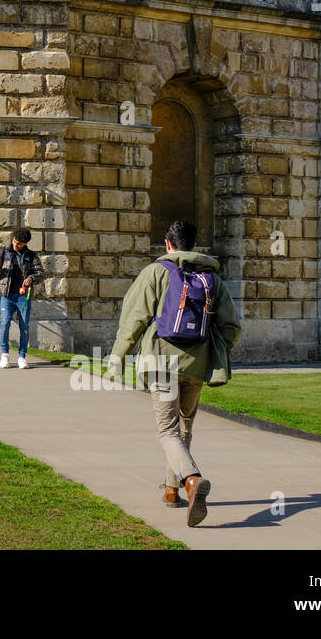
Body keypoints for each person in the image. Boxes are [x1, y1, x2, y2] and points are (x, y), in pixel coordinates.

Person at [107, 219, 242, 528]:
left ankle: (192, 480)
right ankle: (171, 491)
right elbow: (232, 327)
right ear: (195, 246)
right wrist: (216, 352)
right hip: (196, 363)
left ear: (167, 244)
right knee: (185, 428)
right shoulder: (212, 279)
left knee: (168, 430)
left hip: (161, 362)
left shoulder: (155, 272)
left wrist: (117, 359)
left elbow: (134, 319)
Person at [0, 228, 45, 369]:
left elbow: (40, 273)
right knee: (4, 324)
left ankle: (22, 357)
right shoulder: (3, 252)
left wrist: (31, 278)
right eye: (15, 242)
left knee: (24, 326)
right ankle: (5, 354)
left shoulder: (31, 256)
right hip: (7, 295)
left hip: (23, 296)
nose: (16, 245)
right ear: (13, 238)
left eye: (20, 244)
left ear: (25, 243)